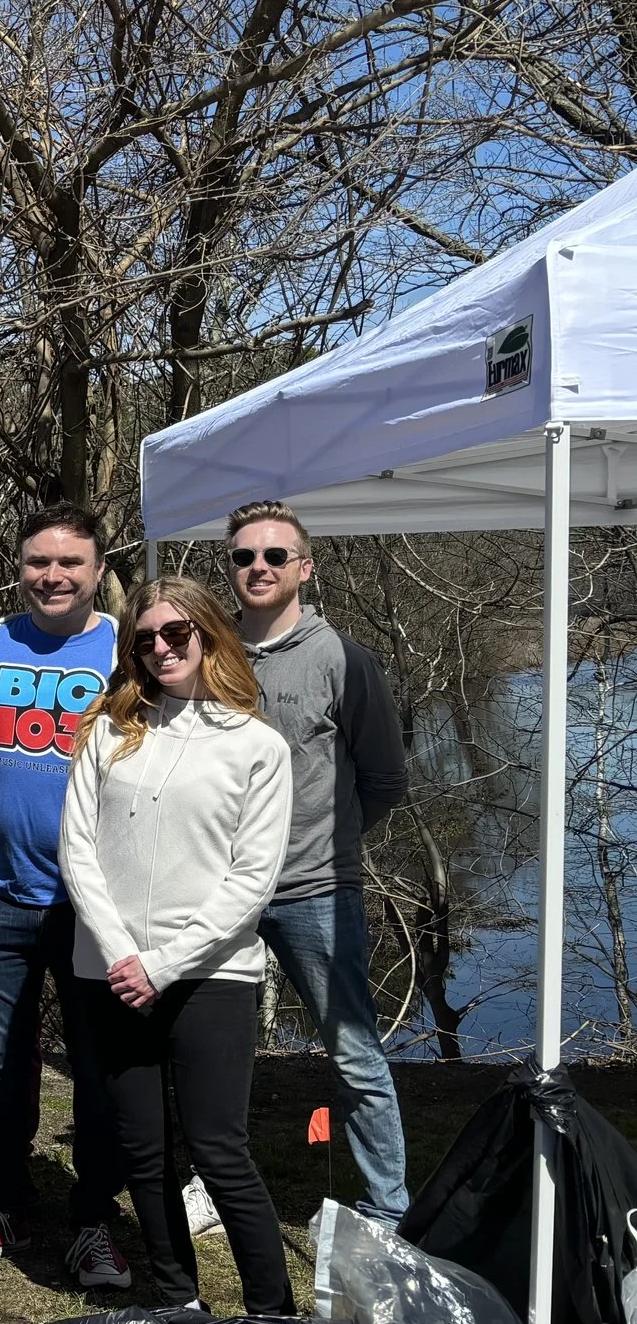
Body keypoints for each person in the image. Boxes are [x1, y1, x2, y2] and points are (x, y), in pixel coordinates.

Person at [61, 577, 295, 1315]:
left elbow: (250, 880)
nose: (161, 648)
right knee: (142, 1147)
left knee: (219, 1147)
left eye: (176, 633)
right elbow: (78, 850)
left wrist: (163, 964)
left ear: (209, 634)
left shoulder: (256, 744)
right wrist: (121, 952)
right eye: (144, 638)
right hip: (110, 969)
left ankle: (274, 1314)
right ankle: (175, 1300)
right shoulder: (107, 729)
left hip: (213, 974)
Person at [0, 505, 132, 1288]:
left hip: (97, 901)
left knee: (98, 1065)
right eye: (37, 563)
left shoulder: (130, 647)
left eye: (70, 564)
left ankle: (95, 1219)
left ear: (96, 571)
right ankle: (6, 1198)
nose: (53, 577)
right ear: (17, 568)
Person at [226, 501, 411, 1225]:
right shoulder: (208, 653)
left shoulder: (341, 656)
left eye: (275, 556)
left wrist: (329, 843)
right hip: (224, 893)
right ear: (230, 568)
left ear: (304, 567)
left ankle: (389, 1208)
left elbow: (386, 778)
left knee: (355, 1054)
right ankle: (219, 1182)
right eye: (245, 557)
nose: (259, 568)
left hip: (315, 891)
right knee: (216, 1055)